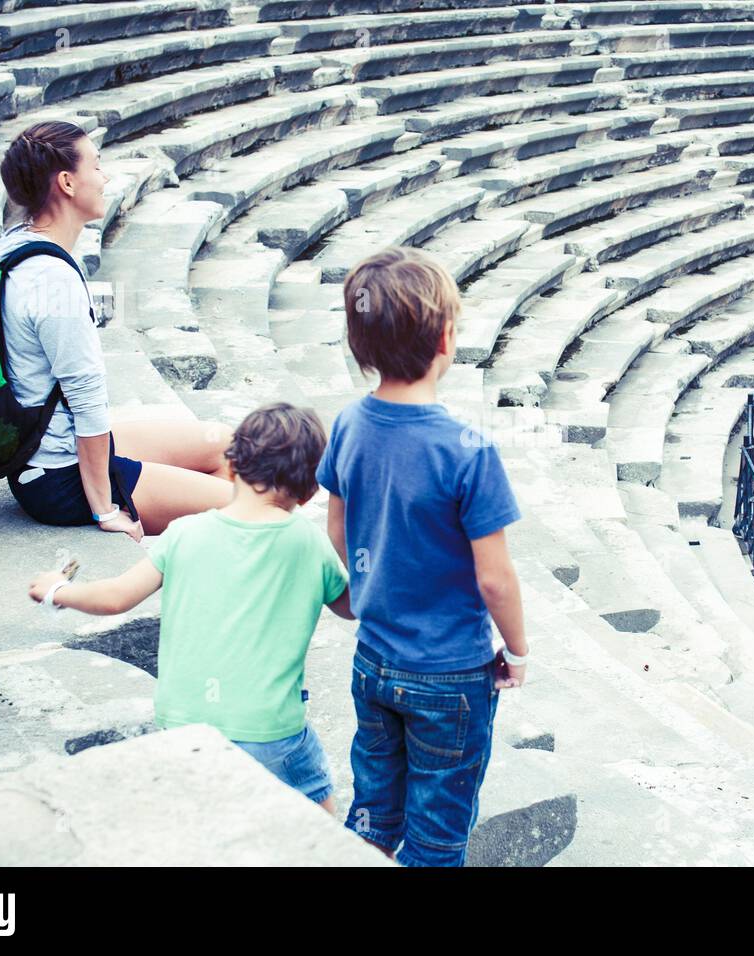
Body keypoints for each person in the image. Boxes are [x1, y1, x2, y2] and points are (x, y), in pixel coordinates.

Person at [28, 403, 353, 810]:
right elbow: (352, 607)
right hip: (270, 731)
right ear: (310, 491)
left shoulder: (185, 534)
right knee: (319, 817)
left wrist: (59, 590)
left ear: (231, 467)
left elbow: (115, 598)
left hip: (182, 726)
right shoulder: (308, 542)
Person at [317, 245, 530, 866]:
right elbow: (495, 579)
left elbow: (336, 528)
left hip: (374, 660)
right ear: (445, 338)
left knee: (373, 812)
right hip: (452, 676)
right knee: (437, 834)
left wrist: (353, 598)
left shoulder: (350, 424)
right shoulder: (468, 450)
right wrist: (517, 651)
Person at [0, 120, 232, 539]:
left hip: (41, 452)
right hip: (58, 476)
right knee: (246, 509)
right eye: (97, 166)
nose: (105, 179)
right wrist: (106, 511)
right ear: (67, 182)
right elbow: (86, 401)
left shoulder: (15, 244)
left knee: (227, 448)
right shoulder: (54, 282)